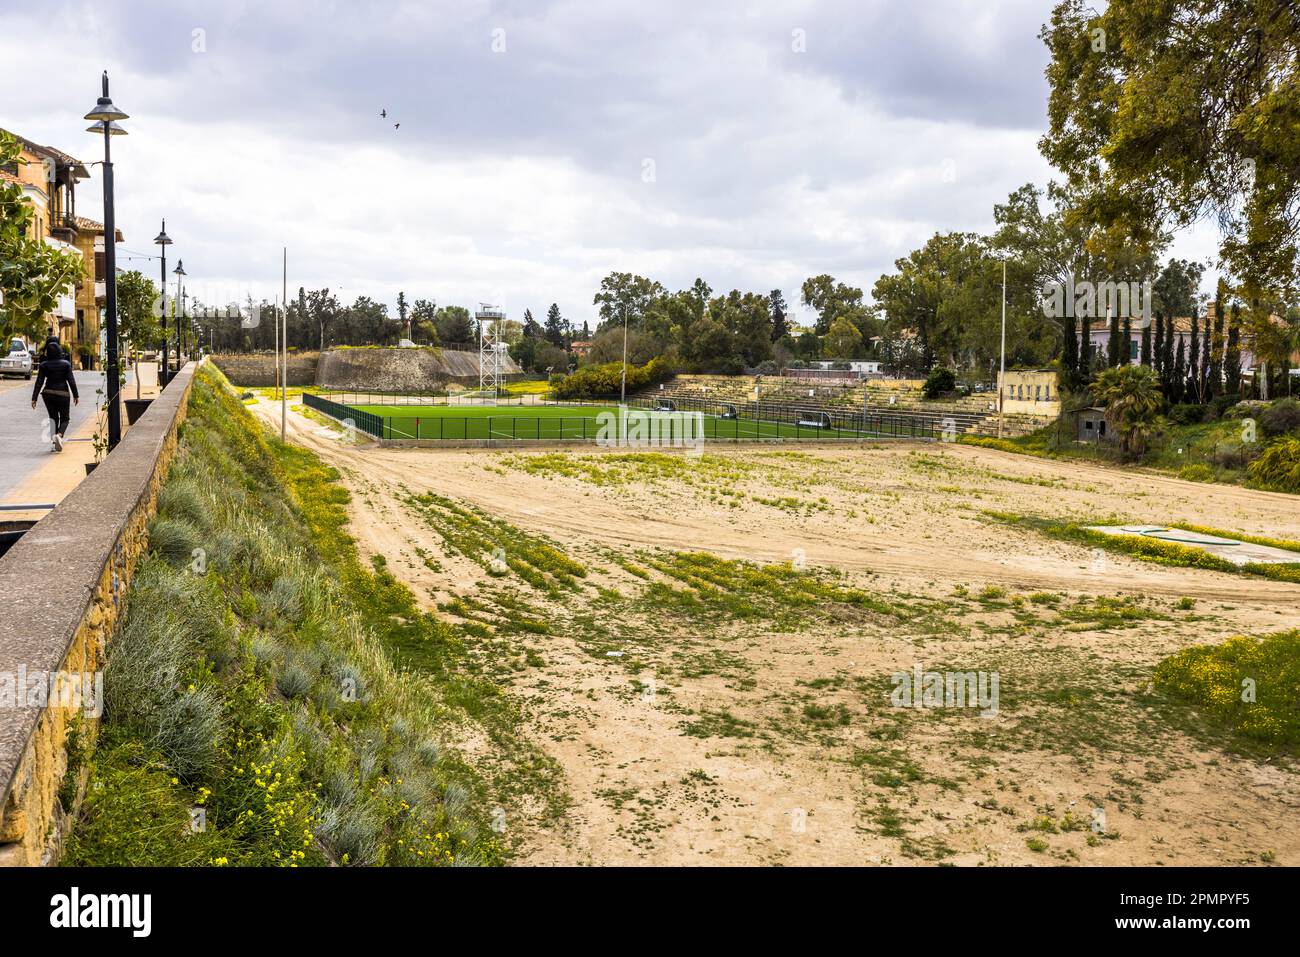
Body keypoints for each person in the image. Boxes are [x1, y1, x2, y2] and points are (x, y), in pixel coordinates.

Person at [30, 337, 80, 452]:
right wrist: (76, 395)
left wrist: (34, 398)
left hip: (48, 394)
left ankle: (54, 442)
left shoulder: (43, 365)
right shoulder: (66, 364)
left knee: (53, 418)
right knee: (65, 418)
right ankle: (60, 435)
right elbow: (71, 381)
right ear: (59, 351)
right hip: (63, 394)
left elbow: (39, 382)